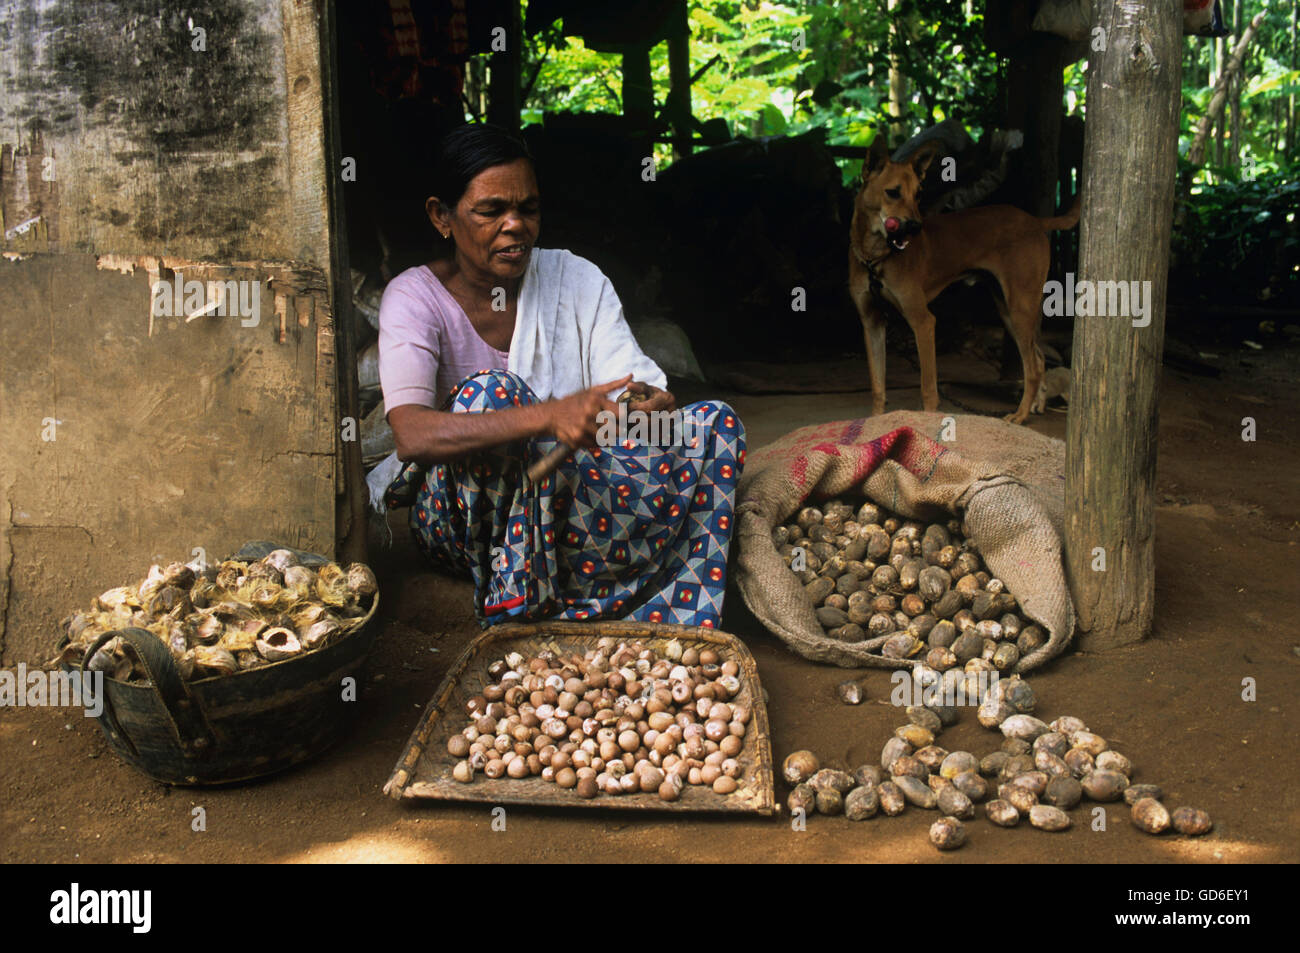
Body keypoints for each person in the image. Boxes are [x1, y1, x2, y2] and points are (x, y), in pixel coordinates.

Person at [375, 123, 746, 629]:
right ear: (442, 216)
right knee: (491, 392)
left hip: (578, 502)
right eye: (491, 211)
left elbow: (632, 401)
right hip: (467, 522)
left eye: (528, 209)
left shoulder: (576, 277)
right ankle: (524, 601)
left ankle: (666, 610)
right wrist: (548, 417)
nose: (515, 226)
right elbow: (411, 434)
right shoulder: (414, 297)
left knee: (713, 423)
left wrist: (641, 406)